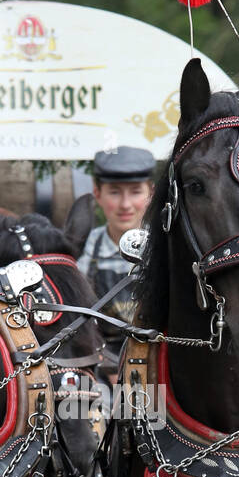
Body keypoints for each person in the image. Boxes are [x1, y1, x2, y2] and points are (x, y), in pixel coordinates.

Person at [77, 146, 155, 366]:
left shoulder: (166, 249)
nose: (125, 205)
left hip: (157, 364)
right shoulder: (84, 249)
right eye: (114, 191)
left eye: (135, 191)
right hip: (101, 366)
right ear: (97, 193)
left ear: (151, 193)